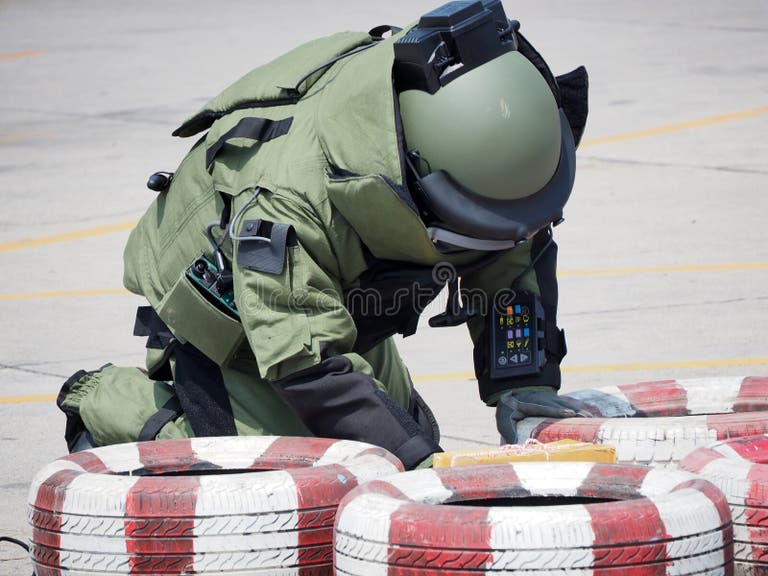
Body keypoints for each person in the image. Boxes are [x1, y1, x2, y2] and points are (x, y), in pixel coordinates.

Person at [57, 0, 591, 470]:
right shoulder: (286, 205)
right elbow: (303, 356)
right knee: (286, 469)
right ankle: (104, 404)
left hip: (340, 291)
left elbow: (510, 258)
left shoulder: (479, 142)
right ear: (416, 185)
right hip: (230, 308)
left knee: (402, 437)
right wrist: (409, 460)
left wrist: (524, 384)